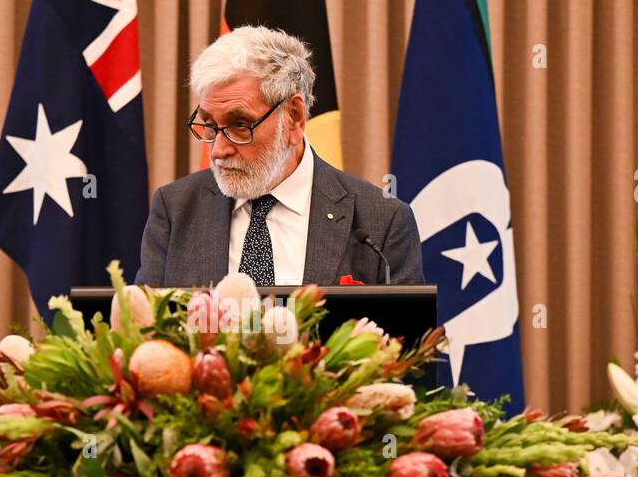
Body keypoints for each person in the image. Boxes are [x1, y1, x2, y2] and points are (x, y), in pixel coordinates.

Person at [134, 25, 424, 287]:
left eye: (239, 124)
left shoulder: (382, 222)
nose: (218, 150)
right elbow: (145, 338)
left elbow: (412, 344)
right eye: (209, 125)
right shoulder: (175, 210)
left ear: (294, 117)